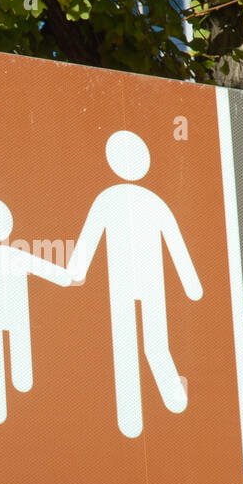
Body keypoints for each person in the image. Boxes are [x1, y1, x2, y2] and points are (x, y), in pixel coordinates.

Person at [67, 130, 202, 439]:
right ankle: (137, 414)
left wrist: (192, 283)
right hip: (128, 281)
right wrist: (191, 285)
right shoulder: (133, 200)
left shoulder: (127, 200)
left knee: (139, 342)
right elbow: (91, 238)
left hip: (141, 281)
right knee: (140, 342)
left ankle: (160, 402)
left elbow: (175, 243)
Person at [0, 197, 73, 425]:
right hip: (4, 317)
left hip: (8, 316)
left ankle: (11, 397)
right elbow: (53, 272)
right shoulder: (8, 255)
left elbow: (47, 270)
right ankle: (6, 400)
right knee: (0, 357)